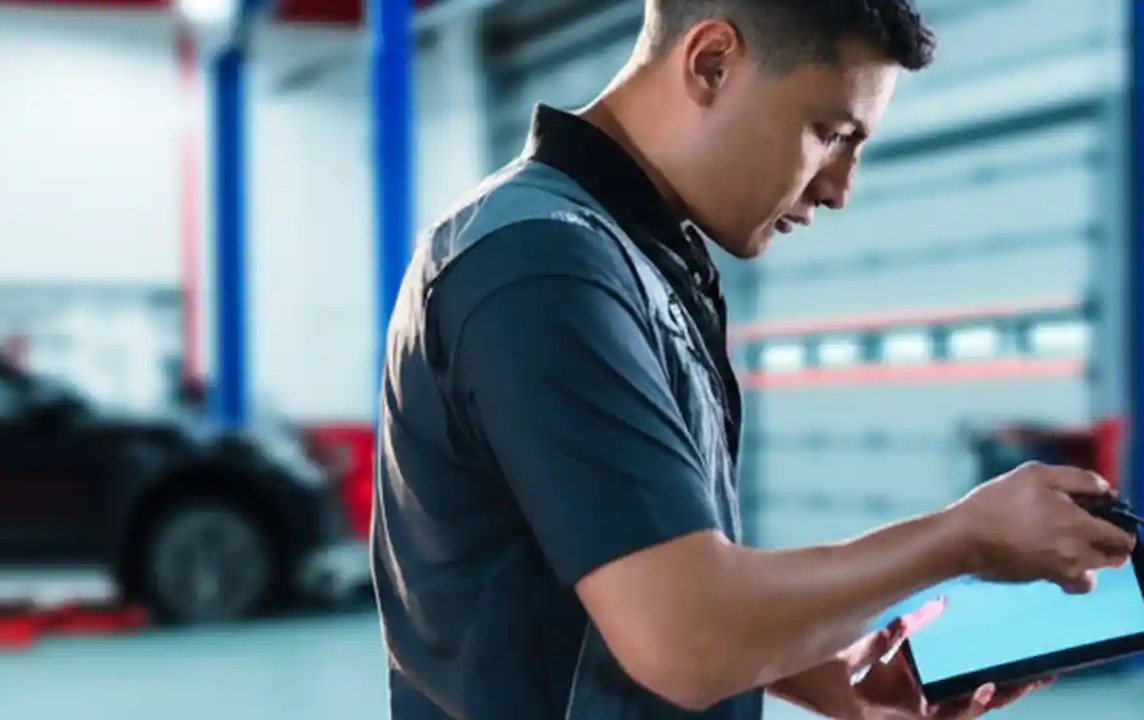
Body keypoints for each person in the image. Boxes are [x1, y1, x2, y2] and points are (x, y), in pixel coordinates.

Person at [370, 1, 1139, 719]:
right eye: (829, 132)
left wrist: (822, 669)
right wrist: (963, 538)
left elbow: (626, 566)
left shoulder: (627, 258)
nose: (840, 188)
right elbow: (684, 635)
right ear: (710, 62)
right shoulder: (539, 267)